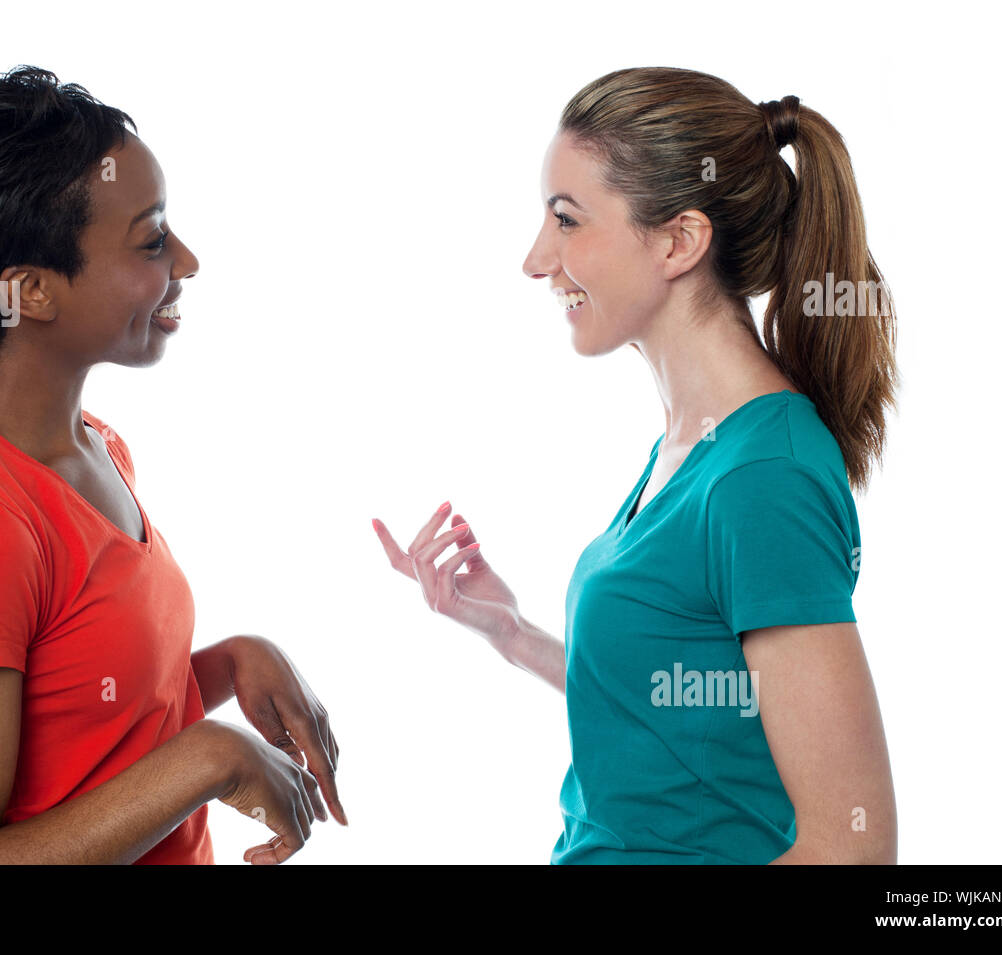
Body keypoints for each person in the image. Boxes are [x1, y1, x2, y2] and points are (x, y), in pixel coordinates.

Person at [373, 66, 899, 864]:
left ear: (680, 241)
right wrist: (511, 633)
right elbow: (685, 716)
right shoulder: (692, 446)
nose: (536, 258)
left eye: (567, 220)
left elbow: (852, 850)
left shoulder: (763, 479)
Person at [0, 65, 345, 865]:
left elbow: (87, 724)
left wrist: (229, 663)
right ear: (30, 291)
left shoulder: (94, 445)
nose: (188, 261)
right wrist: (211, 758)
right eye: (153, 240)